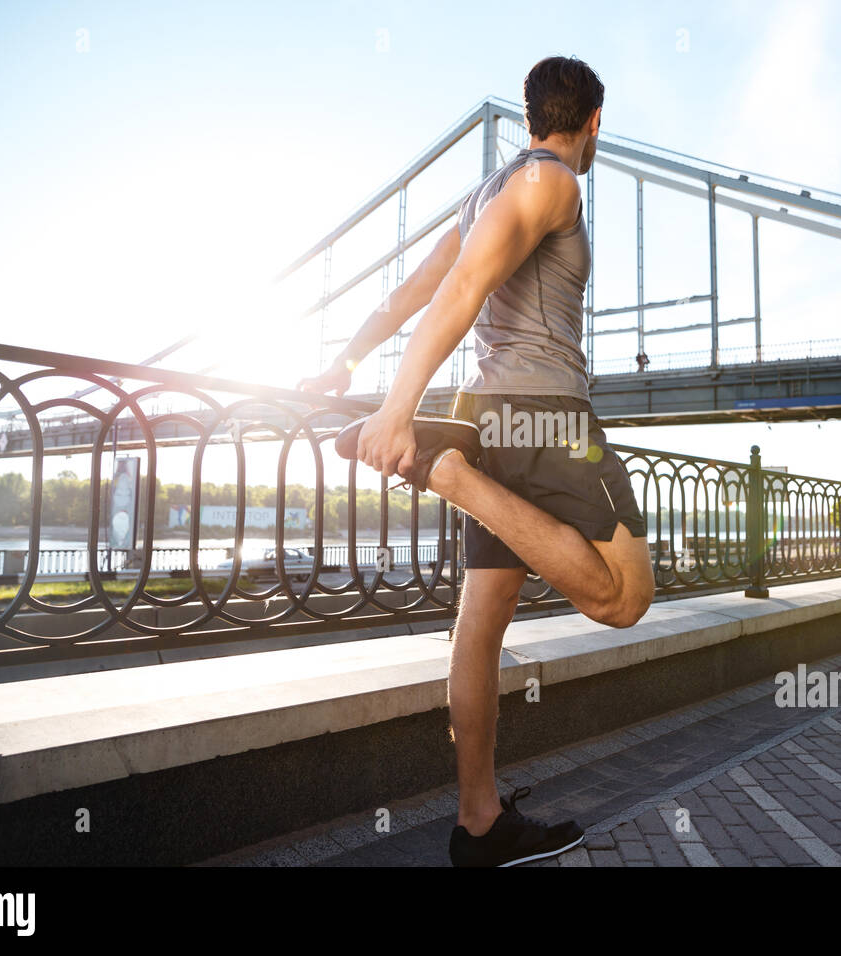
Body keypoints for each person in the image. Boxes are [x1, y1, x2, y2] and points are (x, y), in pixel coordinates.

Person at [299, 55, 653, 867]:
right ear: (592, 123)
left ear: (530, 116)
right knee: (625, 596)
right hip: (550, 422)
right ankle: (450, 473)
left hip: (486, 417)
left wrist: (347, 361)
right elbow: (458, 291)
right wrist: (394, 411)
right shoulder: (554, 185)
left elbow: (412, 290)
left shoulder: (483, 193)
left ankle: (480, 822)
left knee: (480, 628)